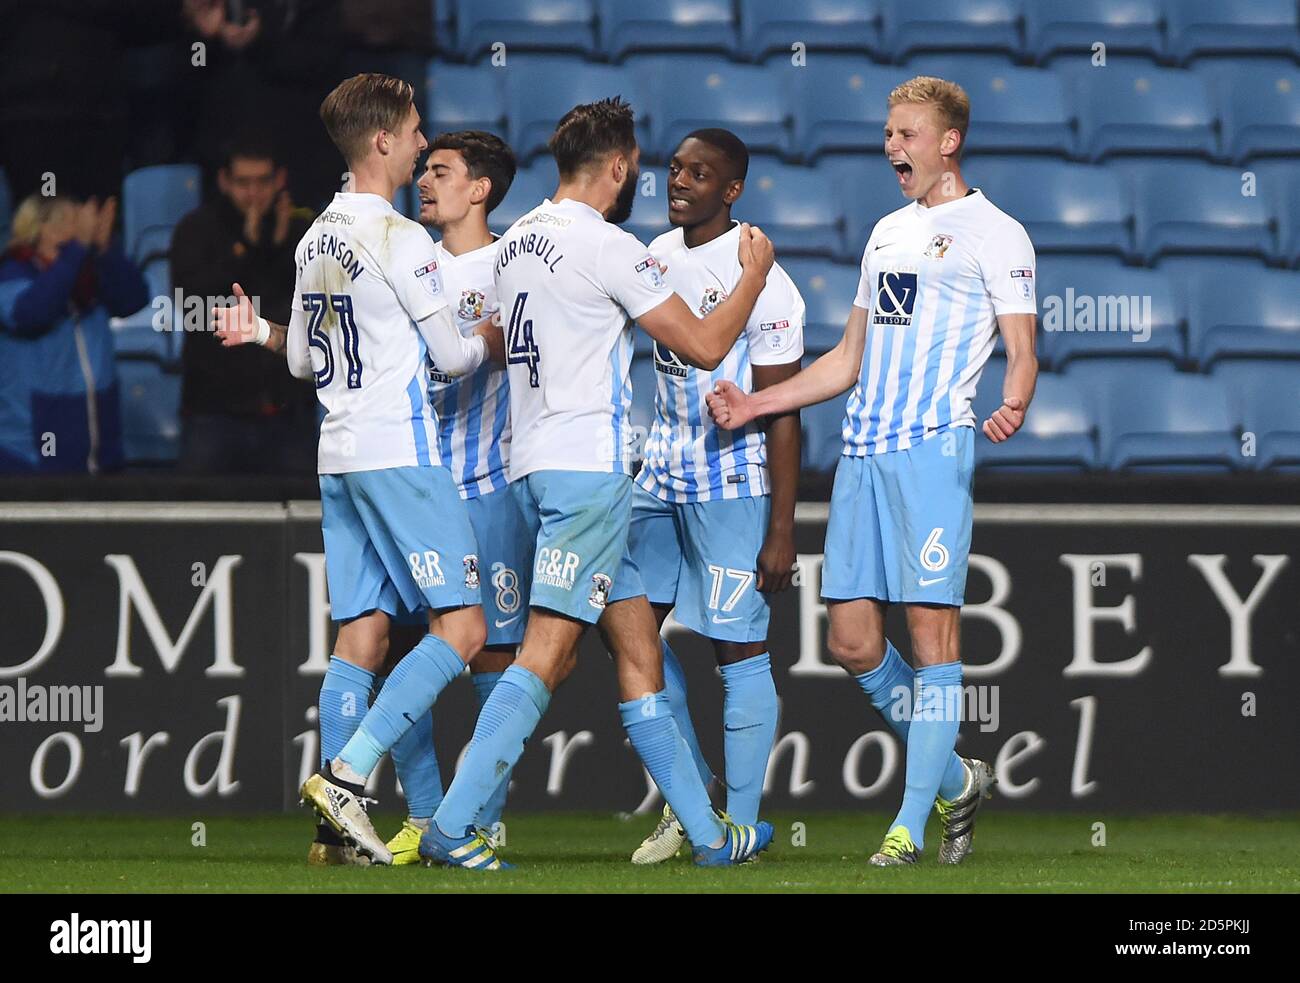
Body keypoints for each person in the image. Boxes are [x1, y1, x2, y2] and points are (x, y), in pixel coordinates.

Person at [418, 98, 777, 870]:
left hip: (530, 464)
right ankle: (451, 826)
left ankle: (713, 838)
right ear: (618, 167)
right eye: (640, 165)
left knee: (638, 649)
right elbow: (710, 344)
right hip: (589, 471)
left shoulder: (514, 242)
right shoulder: (611, 247)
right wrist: (752, 277)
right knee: (546, 657)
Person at [708, 76, 1038, 866]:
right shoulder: (887, 233)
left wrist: (1015, 399)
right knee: (853, 640)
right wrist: (757, 405)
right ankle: (958, 775)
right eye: (889, 133)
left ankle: (909, 825)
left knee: (932, 639)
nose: (892, 145)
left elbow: (1022, 347)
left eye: (906, 133)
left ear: (948, 141)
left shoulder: (998, 233)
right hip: (862, 454)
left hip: (931, 453)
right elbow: (849, 358)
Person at [236, 72, 503, 866]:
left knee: (363, 632)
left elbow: (299, 361)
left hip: (337, 455)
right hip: (399, 451)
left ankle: (335, 838)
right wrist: (487, 333)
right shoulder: (398, 236)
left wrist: (256, 330)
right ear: (383, 139)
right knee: (463, 628)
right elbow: (454, 358)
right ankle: (346, 778)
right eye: (417, 131)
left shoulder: (315, 235)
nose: (424, 145)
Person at [614, 130, 805, 864]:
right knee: (630, 634)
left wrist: (781, 527)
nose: (681, 180)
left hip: (732, 478)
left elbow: (783, 408)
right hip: (658, 471)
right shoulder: (653, 256)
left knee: (738, 647)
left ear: (732, 190)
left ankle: (742, 825)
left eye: (701, 173)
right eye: (676, 168)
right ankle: (692, 798)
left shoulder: (765, 276)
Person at [171, 139, 316, 474]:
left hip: (286, 413)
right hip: (214, 414)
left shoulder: (301, 232)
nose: (253, 193)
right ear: (224, 181)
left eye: (262, 181)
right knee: (202, 520)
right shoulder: (196, 230)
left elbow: (306, 312)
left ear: (279, 180)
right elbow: (193, 307)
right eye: (243, 182)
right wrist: (245, 250)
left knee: (302, 519)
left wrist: (280, 249)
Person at [0, 195, 146, 473]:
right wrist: (77, 247)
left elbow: (133, 300)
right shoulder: (12, 274)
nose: (84, 229)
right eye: (73, 223)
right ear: (44, 229)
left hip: (100, 457)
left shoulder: (89, 276)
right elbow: (31, 313)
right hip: (31, 458)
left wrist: (106, 249)